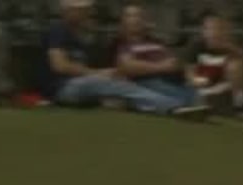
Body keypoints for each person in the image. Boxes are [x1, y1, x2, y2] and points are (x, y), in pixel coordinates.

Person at [44, 0, 206, 118]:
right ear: (68, 11)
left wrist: (103, 72)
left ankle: (190, 103)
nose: (87, 13)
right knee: (121, 86)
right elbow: (59, 66)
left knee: (115, 84)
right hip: (63, 88)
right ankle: (173, 108)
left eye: (87, 9)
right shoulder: (58, 30)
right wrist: (96, 73)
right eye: (82, 10)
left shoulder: (82, 37)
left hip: (83, 85)